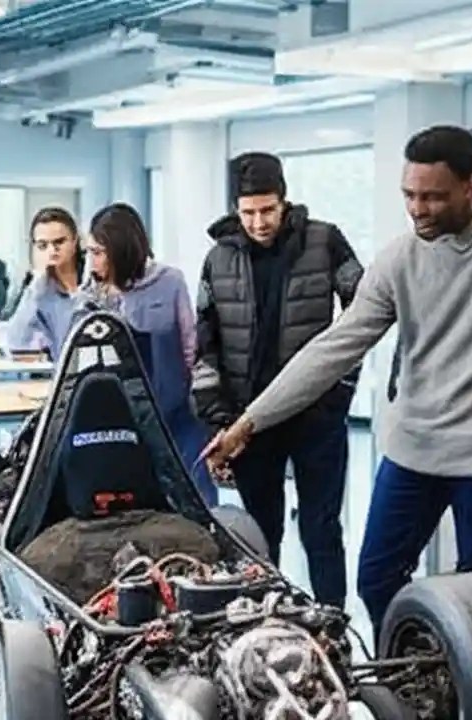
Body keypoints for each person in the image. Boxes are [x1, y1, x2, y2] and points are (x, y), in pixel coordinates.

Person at [204, 128, 472, 632]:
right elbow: (334, 347)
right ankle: (418, 678)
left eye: (434, 196)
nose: (418, 209)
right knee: (375, 578)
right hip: (412, 448)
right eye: (410, 195)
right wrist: (249, 421)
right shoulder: (400, 258)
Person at [191, 152, 363, 609]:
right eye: (248, 212)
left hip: (316, 415)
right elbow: (204, 344)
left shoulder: (325, 242)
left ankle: (333, 621)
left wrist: (341, 388)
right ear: (235, 209)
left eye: (268, 210)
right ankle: (267, 620)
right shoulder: (217, 259)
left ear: (284, 202)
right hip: (250, 421)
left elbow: (365, 312)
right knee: (260, 533)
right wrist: (219, 421)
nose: (259, 222)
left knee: (321, 527)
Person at [78, 203, 219, 506]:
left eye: (99, 252)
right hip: (123, 418)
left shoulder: (170, 281)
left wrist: (204, 405)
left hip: (176, 412)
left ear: (121, 250)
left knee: (198, 497)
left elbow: (190, 345)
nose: (92, 261)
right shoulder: (90, 296)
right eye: (90, 252)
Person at [5, 207, 84, 357]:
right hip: (60, 374)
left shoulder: (93, 278)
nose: (52, 250)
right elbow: (16, 343)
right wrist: (36, 287)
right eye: (43, 245)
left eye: (59, 242)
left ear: (75, 241)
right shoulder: (39, 290)